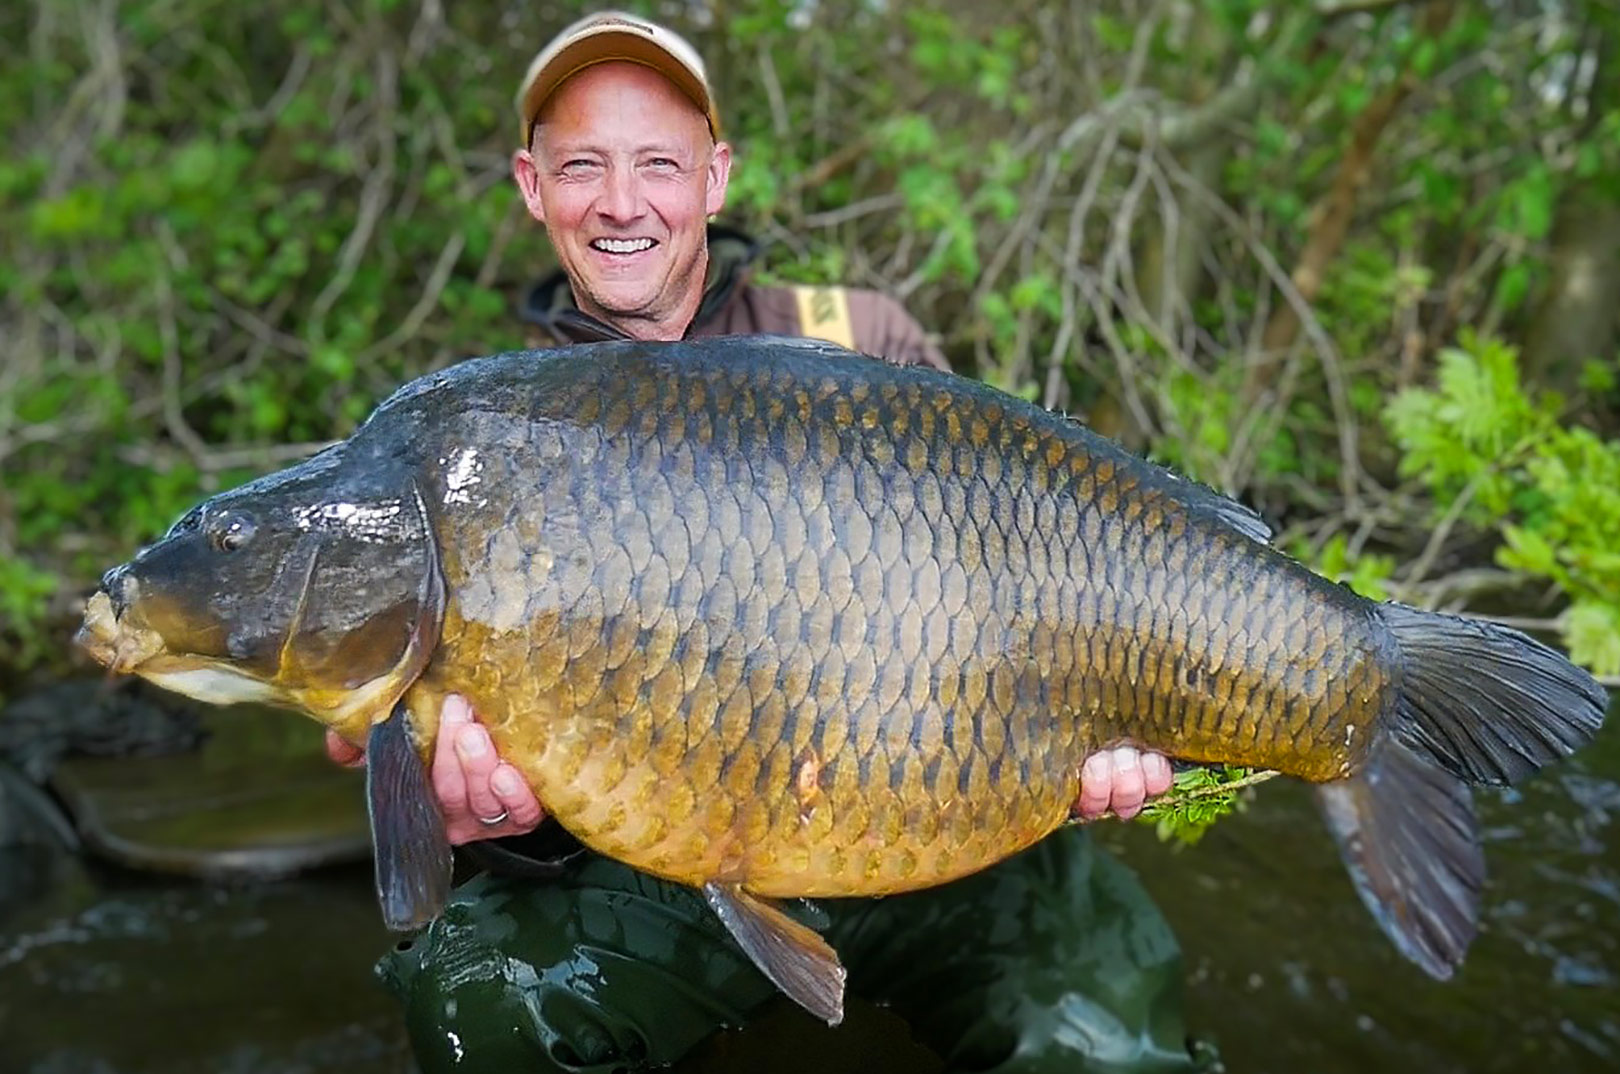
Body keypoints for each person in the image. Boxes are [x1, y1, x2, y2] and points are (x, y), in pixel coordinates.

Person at [326, 11, 1173, 839]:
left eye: (659, 163)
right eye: (583, 165)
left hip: (905, 809)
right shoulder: (488, 442)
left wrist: (1097, 728)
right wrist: (496, 830)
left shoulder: (862, 338)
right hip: (663, 858)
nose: (622, 204)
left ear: (714, 178)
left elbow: (1021, 573)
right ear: (531, 185)